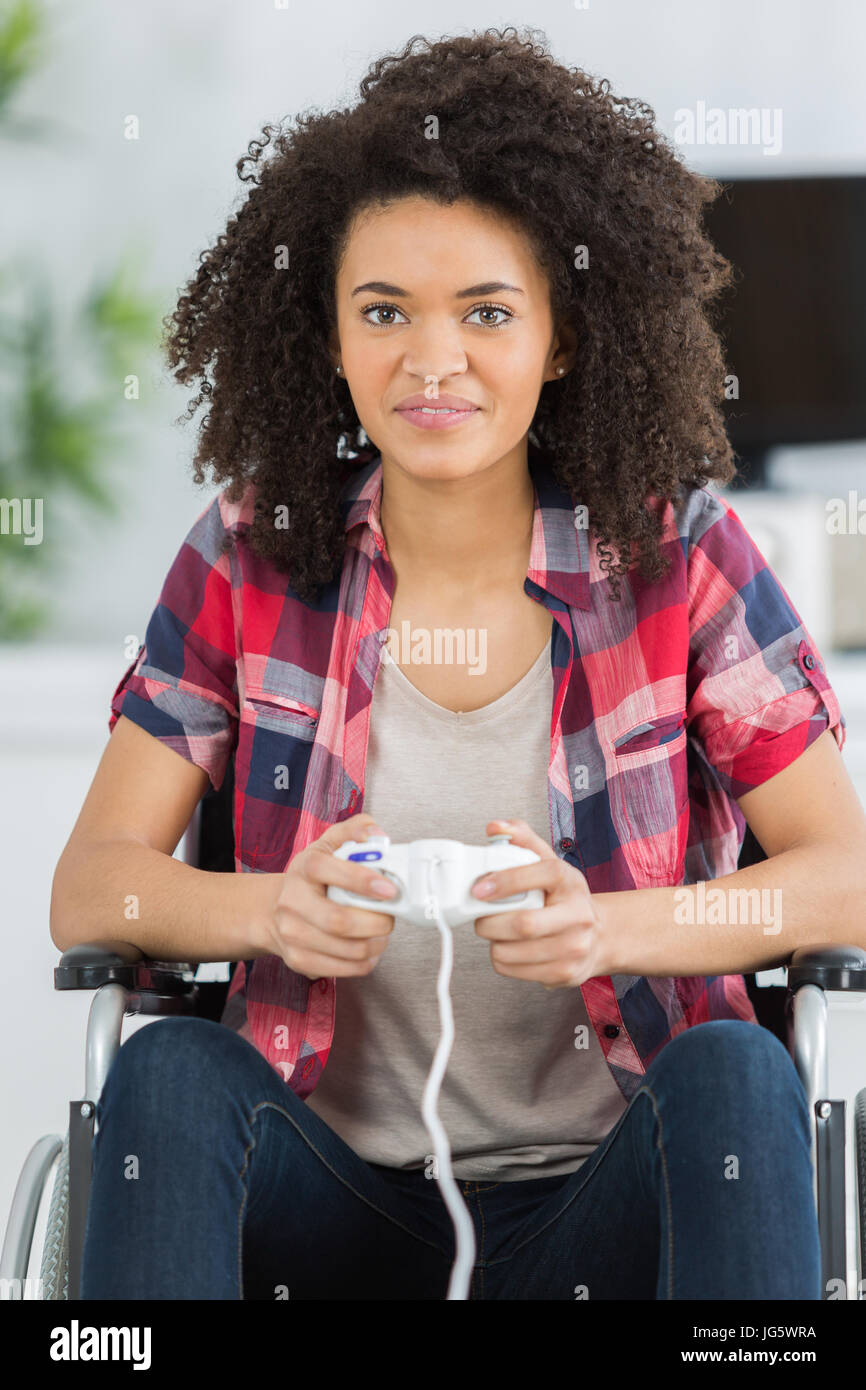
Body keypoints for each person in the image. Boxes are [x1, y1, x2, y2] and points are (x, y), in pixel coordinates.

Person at [51, 28, 859, 1301]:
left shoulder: (677, 556)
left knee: (739, 1071)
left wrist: (608, 929)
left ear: (563, 340)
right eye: (383, 313)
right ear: (329, 338)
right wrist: (274, 909)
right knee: (166, 1075)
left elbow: (847, 881)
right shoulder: (248, 555)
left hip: (607, 1198)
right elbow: (92, 890)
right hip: (330, 1202)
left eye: (486, 312)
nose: (432, 362)